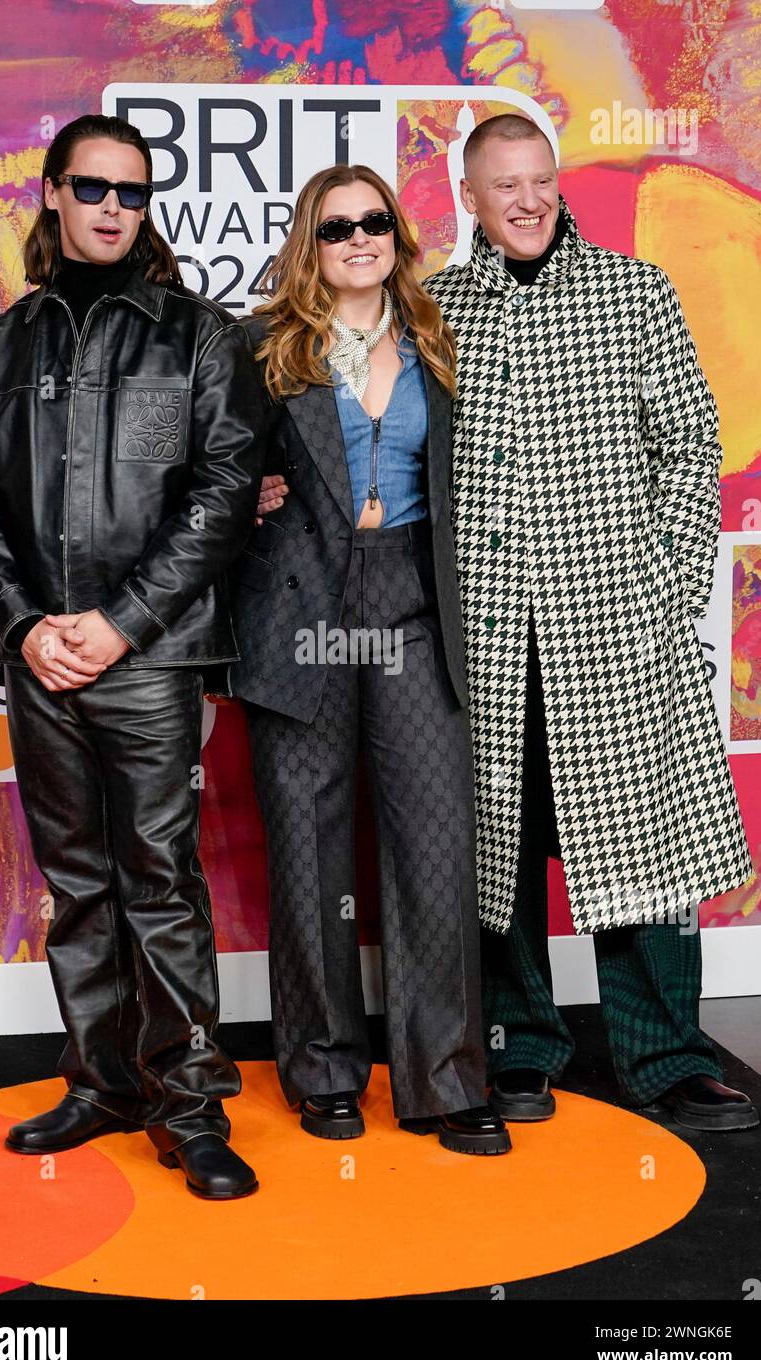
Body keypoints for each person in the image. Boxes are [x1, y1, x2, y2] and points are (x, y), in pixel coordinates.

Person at [260, 118, 758, 1133]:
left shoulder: (634, 293)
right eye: (504, 186)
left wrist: (664, 586)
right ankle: (518, 1046)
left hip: (616, 622)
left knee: (641, 842)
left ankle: (665, 1054)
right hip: (480, 627)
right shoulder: (432, 310)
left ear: (555, 184)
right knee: (495, 848)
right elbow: (379, 449)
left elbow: (689, 447)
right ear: (469, 200)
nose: (526, 201)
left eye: (539, 181)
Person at [0, 114, 267, 1199]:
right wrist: (28, 620)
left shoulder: (201, 337)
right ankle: (100, 1082)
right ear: (52, 194)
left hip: (149, 657)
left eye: (132, 190)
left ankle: (189, 1105)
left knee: (160, 884)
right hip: (40, 658)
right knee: (75, 884)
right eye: (92, 188)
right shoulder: (4, 341)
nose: (113, 207)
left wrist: (122, 621)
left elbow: (223, 496)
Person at [231, 164, 510, 1155]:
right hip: (298, 606)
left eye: (375, 222)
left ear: (396, 232)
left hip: (412, 606)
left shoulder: (440, 336)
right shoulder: (260, 346)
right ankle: (321, 1066)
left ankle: (443, 1076)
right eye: (338, 225)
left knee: (436, 843)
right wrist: (245, 498)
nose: (360, 239)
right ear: (311, 239)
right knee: (307, 848)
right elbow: (201, 474)